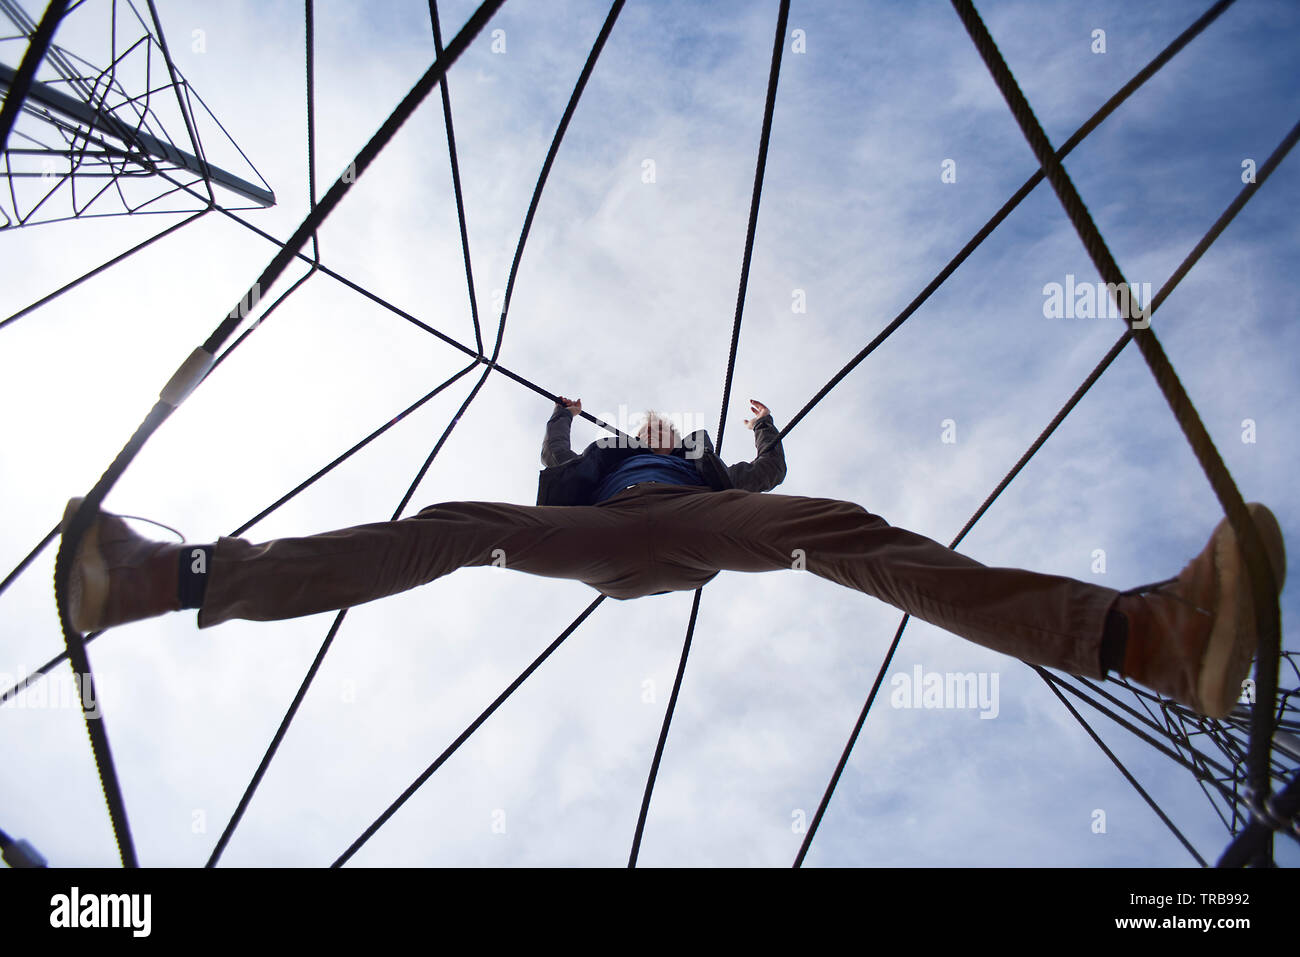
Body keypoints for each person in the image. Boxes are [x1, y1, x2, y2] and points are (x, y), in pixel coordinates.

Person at [60, 397, 1285, 719]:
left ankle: (1144, 641)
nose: (650, 435)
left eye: (659, 433)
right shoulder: (594, 468)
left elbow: (763, 490)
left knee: (821, 525)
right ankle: (173, 580)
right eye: (641, 434)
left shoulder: (702, 471)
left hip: (693, 539)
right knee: (456, 524)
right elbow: (544, 497)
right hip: (601, 542)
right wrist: (562, 425)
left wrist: (752, 436)